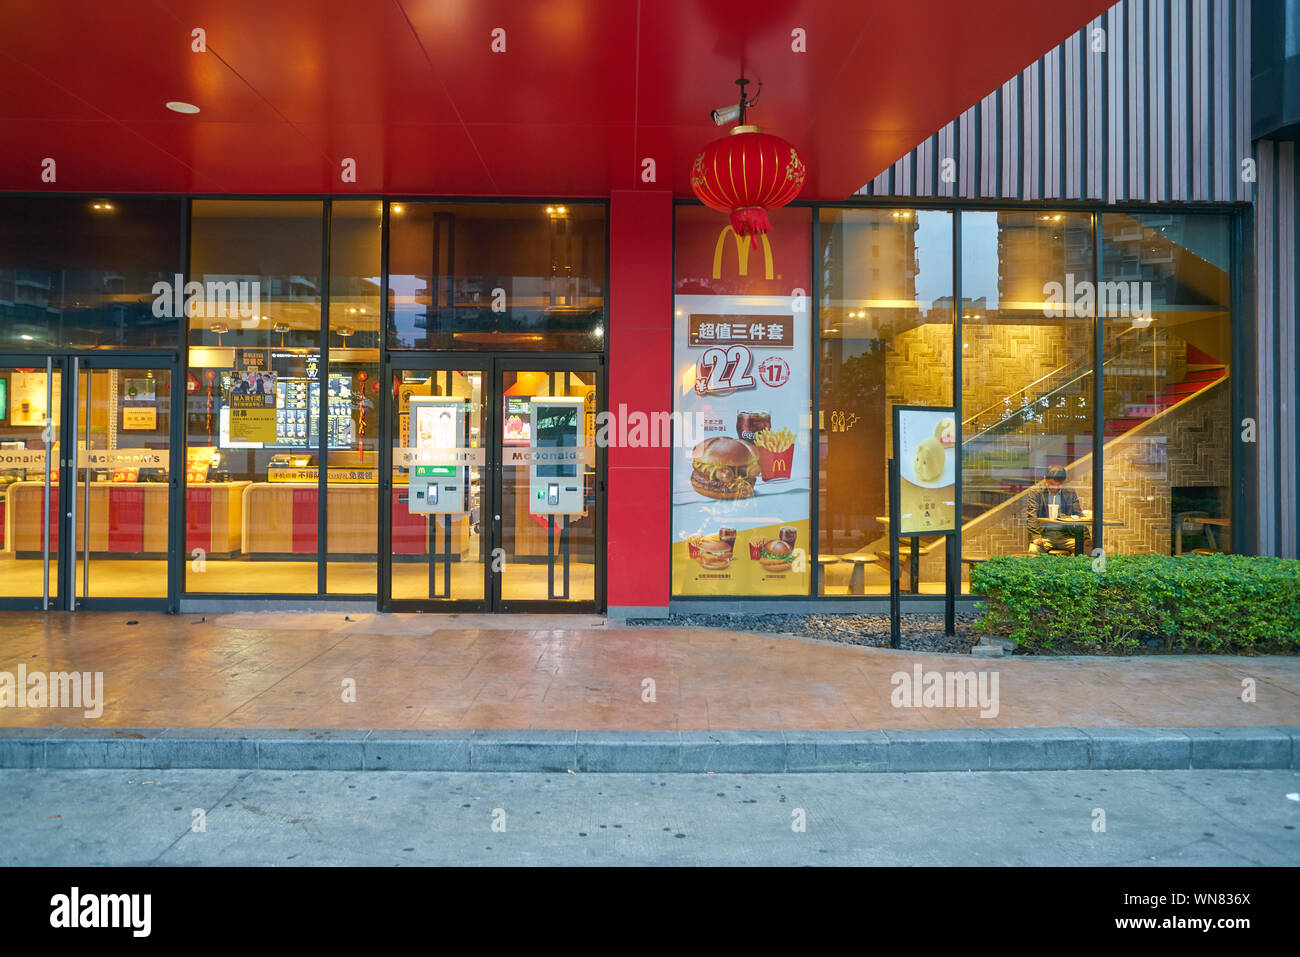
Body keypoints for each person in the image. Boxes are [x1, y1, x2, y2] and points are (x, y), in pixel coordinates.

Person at [1026, 466, 1089, 554]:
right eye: (1052, 483)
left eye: (1059, 484)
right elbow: (1031, 516)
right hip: (1044, 537)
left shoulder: (1070, 492)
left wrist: (1086, 537)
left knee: (1089, 550)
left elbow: (1079, 515)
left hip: (1067, 537)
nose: (1055, 487)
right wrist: (1036, 537)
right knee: (1034, 550)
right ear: (1045, 478)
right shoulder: (1036, 492)